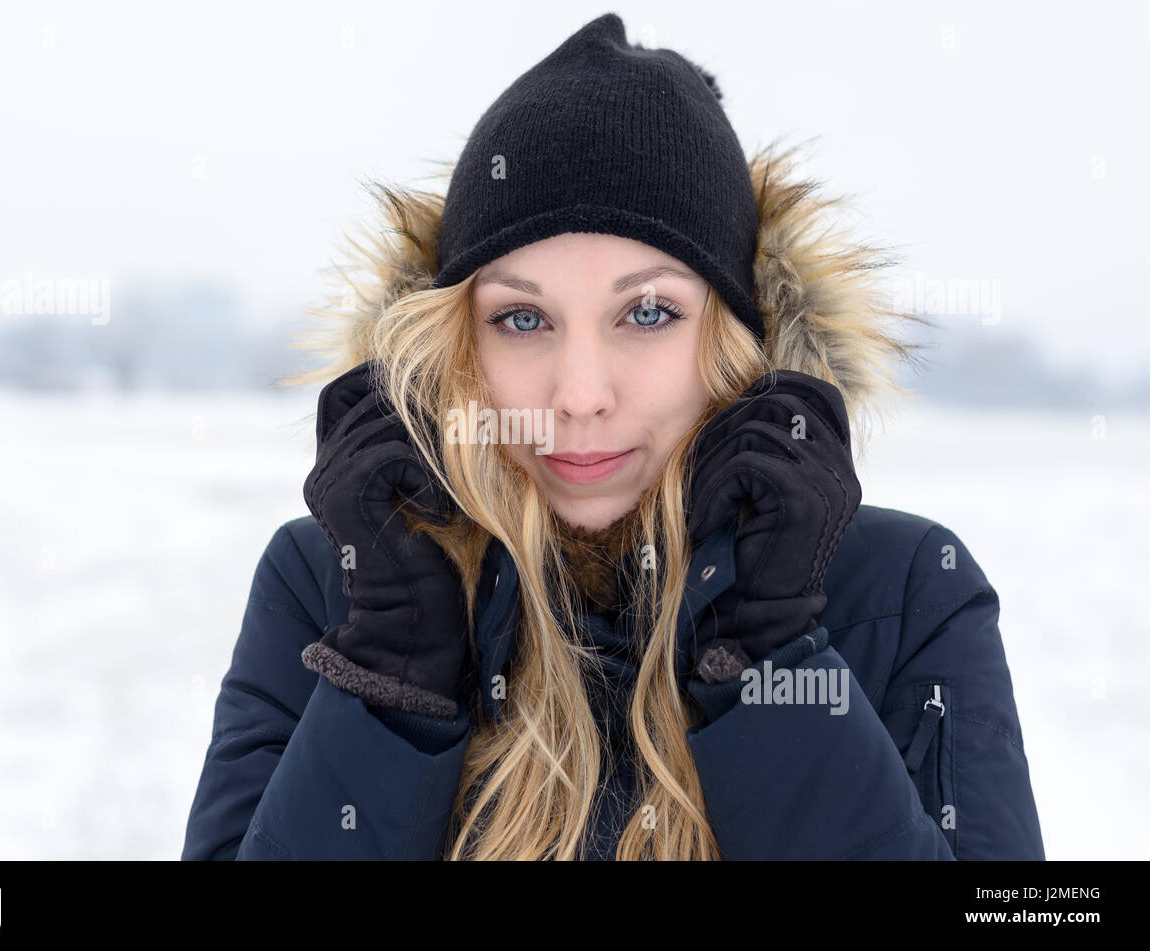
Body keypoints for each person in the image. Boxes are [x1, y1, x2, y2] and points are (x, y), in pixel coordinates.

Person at [181, 12, 1044, 861]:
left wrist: (772, 661)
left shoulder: (905, 593)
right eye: (522, 317)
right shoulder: (331, 585)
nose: (582, 395)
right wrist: (391, 678)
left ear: (740, 338)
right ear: (454, 345)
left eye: (649, 312)